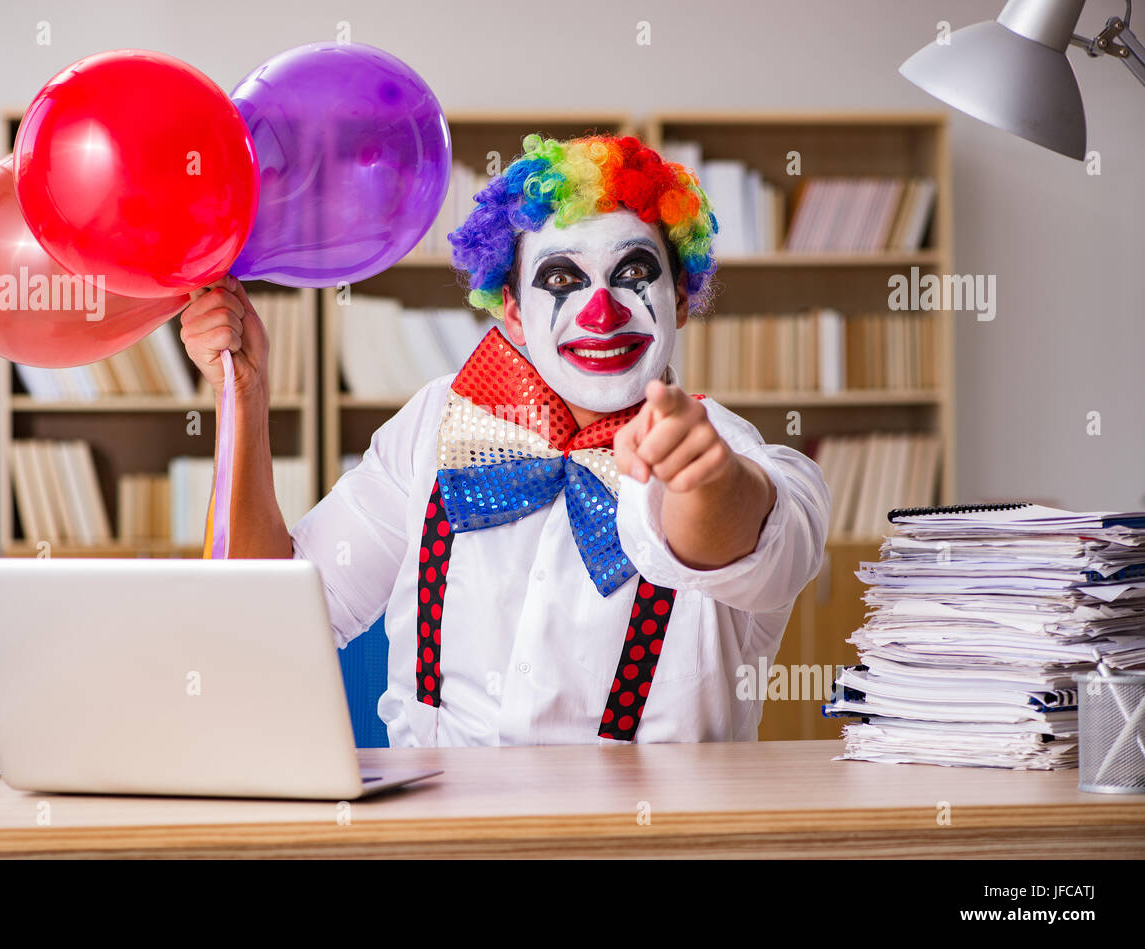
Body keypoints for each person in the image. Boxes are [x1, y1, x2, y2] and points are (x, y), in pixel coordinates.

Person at [179, 133, 830, 746]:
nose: (599, 312)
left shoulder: (742, 459)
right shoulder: (436, 421)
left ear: (681, 295)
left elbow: (743, 541)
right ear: (513, 309)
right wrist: (245, 397)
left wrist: (701, 477)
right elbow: (270, 617)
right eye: (561, 280)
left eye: (632, 273)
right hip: (440, 829)